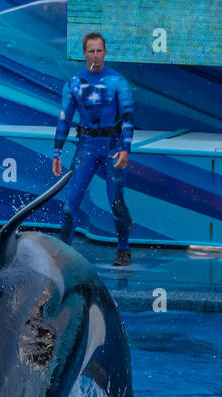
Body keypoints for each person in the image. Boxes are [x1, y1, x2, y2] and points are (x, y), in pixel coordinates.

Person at [51, 32, 135, 267]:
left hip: (113, 147)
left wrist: (126, 149)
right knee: (70, 205)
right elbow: (64, 120)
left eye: (99, 51)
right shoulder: (73, 83)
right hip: (86, 147)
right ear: (84, 53)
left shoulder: (118, 82)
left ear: (105, 52)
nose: (95, 55)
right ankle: (63, 253)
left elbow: (128, 118)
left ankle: (123, 250)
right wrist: (57, 152)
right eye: (91, 51)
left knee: (117, 204)